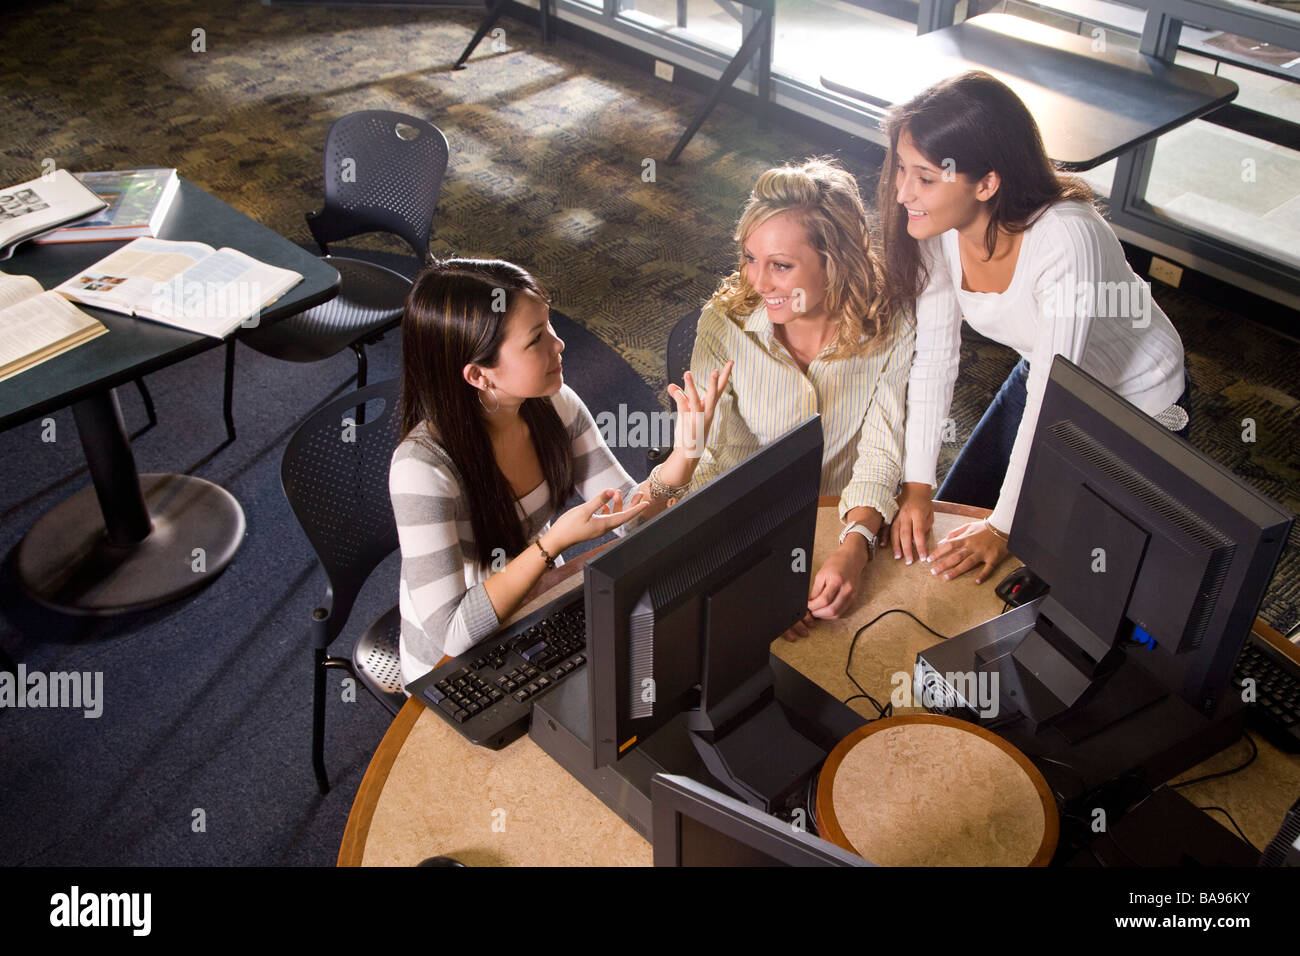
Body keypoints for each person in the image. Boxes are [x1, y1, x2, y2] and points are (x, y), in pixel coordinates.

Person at [878, 71, 1189, 585]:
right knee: (948, 524)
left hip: (1137, 404)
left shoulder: (1067, 237)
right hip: (1045, 374)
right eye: (901, 169)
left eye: (925, 177)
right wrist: (916, 484)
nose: (903, 192)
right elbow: (934, 358)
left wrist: (1003, 528)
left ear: (987, 182)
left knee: (1072, 577)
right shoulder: (935, 227)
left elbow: (1052, 399)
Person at [391, 258, 731, 687]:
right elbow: (453, 634)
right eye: (536, 340)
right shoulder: (421, 470)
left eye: (549, 326)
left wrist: (686, 452)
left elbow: (635, 520)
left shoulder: (555, 405)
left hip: (535, 607)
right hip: (448, 667)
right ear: (478, 375)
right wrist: (553, 542)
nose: (559, 345)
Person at [689, 158, 915, 636]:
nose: (757, 282)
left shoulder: (894, 325)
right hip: (748, 530)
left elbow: (882, 452)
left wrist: (855, 547)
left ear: (836, 260)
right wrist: (749, 574)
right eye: (751, 258)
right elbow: (716, 463)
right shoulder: (723, 323)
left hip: (847, 520)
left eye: (781, 266)